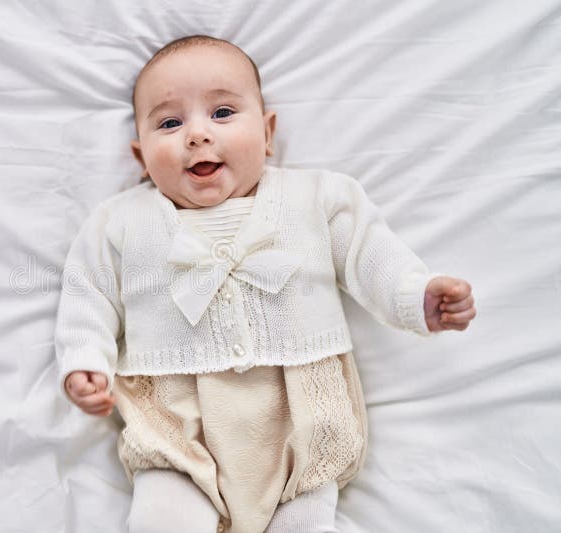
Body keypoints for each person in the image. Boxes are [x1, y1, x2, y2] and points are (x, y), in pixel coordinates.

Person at [54, 35, 476, 533]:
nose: (196, 134)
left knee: (306, 521)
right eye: (169, 123)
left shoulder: (318, 197)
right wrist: (85, 360)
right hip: (178, 429)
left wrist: (415, 296)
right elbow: (88, 292)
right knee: (161, 518)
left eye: (223, 113)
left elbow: (371, 257)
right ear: (141, 155)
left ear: (268, 132)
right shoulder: (120, 222)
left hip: (302, 424)